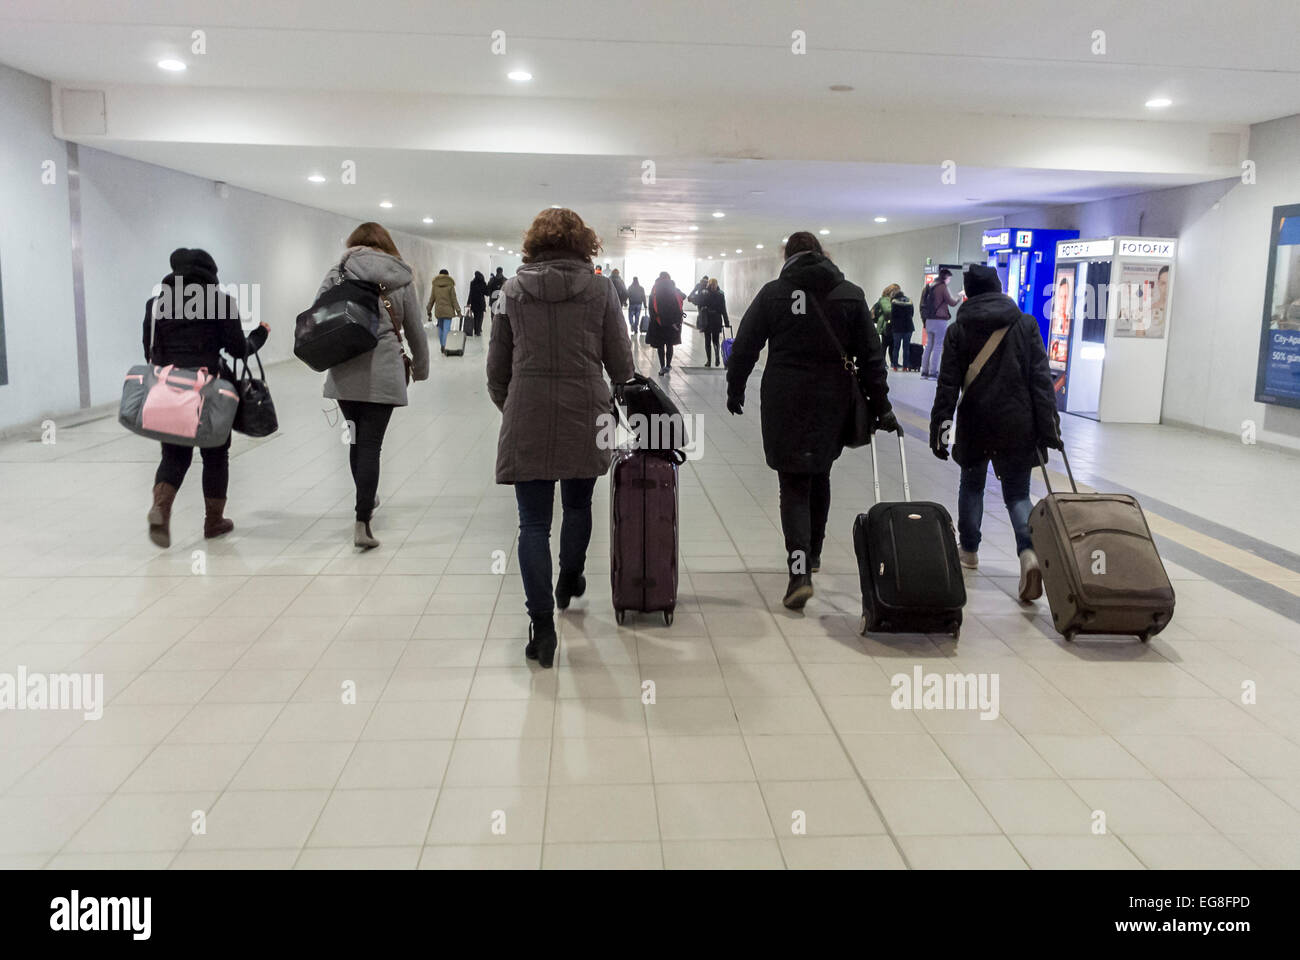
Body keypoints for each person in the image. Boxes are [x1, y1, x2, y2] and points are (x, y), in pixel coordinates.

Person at [487, 207, 635, 668]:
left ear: (533, 245)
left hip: (527, 408)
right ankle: (569, 578)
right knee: (577, 505)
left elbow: (497, 369)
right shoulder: (600, 288)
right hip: (585, 411)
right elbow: (623, 364)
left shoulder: (511, 291)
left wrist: (512, 405)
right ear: (583, 244)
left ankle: (543, 628)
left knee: (532, 525)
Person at [725, 231, 896, 609]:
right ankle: (813, 554)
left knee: (794, 484)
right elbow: (872, 358)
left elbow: (745, 346)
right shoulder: (849, 294)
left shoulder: (774, 293)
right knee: (820, 474)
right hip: (832, 400)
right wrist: (881, 406)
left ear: (787, 256)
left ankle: (798, 571)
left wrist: (735, 388)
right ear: (823, 254)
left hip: (785, 398)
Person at [928, 264, 1062, 603]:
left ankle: (969, 551)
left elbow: (947, 384)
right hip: (1019, 422)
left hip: (976, 421)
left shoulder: (960, 329)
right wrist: (1049, 429)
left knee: (971, 484)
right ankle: (1029, 553)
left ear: (969, 292)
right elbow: (1041, 381)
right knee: (1017, 495)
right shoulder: (1025, 323)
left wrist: (941, 427)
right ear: (999, 287)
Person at [142, 248, 269, 548]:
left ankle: (161, 508)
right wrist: (259, 336)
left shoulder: (156, 304)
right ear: (210, 273)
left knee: (174, 454)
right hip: (209, 391)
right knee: (215, 454)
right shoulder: (220, 302)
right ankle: (214, 521)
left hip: (170, 391)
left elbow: (149, 350)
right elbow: (239, 350)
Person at [318, 222, 431, 549]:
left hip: (344, 369)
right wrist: (421, 369)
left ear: (355, 243)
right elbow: (414, 329)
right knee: (371, 445)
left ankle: (365, 504)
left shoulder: (337, 271)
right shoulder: (400, 276)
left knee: (356, 441)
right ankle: (362, 520)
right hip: (383, 370)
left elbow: (318, 313)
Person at [921, 268, 960, 379]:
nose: (949, 281)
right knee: (938, 347)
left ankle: (924, 371)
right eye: (949, 279)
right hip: (940, 320)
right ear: (946, 277)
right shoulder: (942, 287)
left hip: (929, 320)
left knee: (929, 346)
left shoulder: (930, 286)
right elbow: (951, 302)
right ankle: (933, 372)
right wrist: (959, 296)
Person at [647, 271, 685, 375]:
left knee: (660, 345)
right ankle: (668, 365)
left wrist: (654, 318)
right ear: (669, 277)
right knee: (669, 344)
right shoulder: (673, 287)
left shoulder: (655, 288)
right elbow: (683, 297)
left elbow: (651, 305)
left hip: (659, 321)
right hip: (672, 322)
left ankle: (662, 366)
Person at [426, 269, 461, 353]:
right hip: (448, 311)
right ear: (448, 276)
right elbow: (454, 300)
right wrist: (458, 311)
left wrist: (429, 310)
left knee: (440, 328)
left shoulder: (435, 286)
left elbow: (432, 299)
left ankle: (442, 345)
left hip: (439, 311)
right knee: (446, 329)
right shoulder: (450, 286)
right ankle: (445, 346)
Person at [697, 278, 729, 367]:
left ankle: (709, 361)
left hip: (707, 320)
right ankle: (717, 357)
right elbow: (723, 309)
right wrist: (726, 322)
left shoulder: (705, 294)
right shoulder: (721, 294)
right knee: (715, 340)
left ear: (709, 285)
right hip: (717, 319)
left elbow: (699, 304)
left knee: (708, 341)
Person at [887, 286, 915, 372]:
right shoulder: (909, 302)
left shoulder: (894, 302)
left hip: (897, 328)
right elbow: (912, 314)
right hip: (908, 327)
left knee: (896, 347)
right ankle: (905, 367)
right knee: (906, 348)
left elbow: (892, 316)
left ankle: (895, 366)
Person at [467, 269, 489, 337]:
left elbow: (470, 293)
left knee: (476, 317)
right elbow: (487, 293)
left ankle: (476, 329)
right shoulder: (483, 283)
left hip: (474, 303)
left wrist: (468, 302)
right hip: (481, 303)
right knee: (480, 317)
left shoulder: (472, 283)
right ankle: (478, 331)